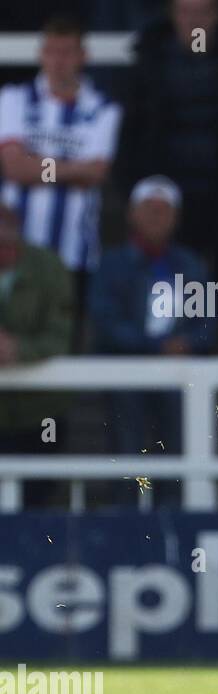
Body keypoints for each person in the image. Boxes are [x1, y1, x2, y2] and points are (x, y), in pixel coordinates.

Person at [114, 0, 218, 336]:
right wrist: (143, 194)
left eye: (203, 12)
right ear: (173, 15)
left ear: (217, 16)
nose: (195, 21)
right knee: (168, 306)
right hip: (167, 208)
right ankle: (169, 385)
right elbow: (128, 135)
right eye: (187, 12)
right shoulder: (147, 63)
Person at [89, 175, 212, 503]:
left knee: (177, 454)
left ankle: (173, 530)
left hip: (177, 379)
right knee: (125, 455)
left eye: (164, 209)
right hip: (127, 377)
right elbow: (105, 322)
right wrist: (154, 346)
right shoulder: (112, 264)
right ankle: (124, 530)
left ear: (176, 217)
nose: (157, 216)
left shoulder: (192, 266)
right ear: (131, 214)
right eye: (149, 208)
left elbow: (208, 324)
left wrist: (187, 343)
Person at [0, 15, 120, 340]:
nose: (59, 61)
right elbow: (13, 168)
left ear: (83, 56)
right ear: (41, 54)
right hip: (13, 250)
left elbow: (95, 173)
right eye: (52, 51)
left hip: (73, 253)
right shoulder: (14, 98)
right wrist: (72, 168)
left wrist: (35, 165)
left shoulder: (104, 108)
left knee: (63, 341)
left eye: (67, 52)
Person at [0, 202, 73, 507]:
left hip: (40, 410)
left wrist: (18, 349)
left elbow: (63, 334)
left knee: (38, 500)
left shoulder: (49, 268)